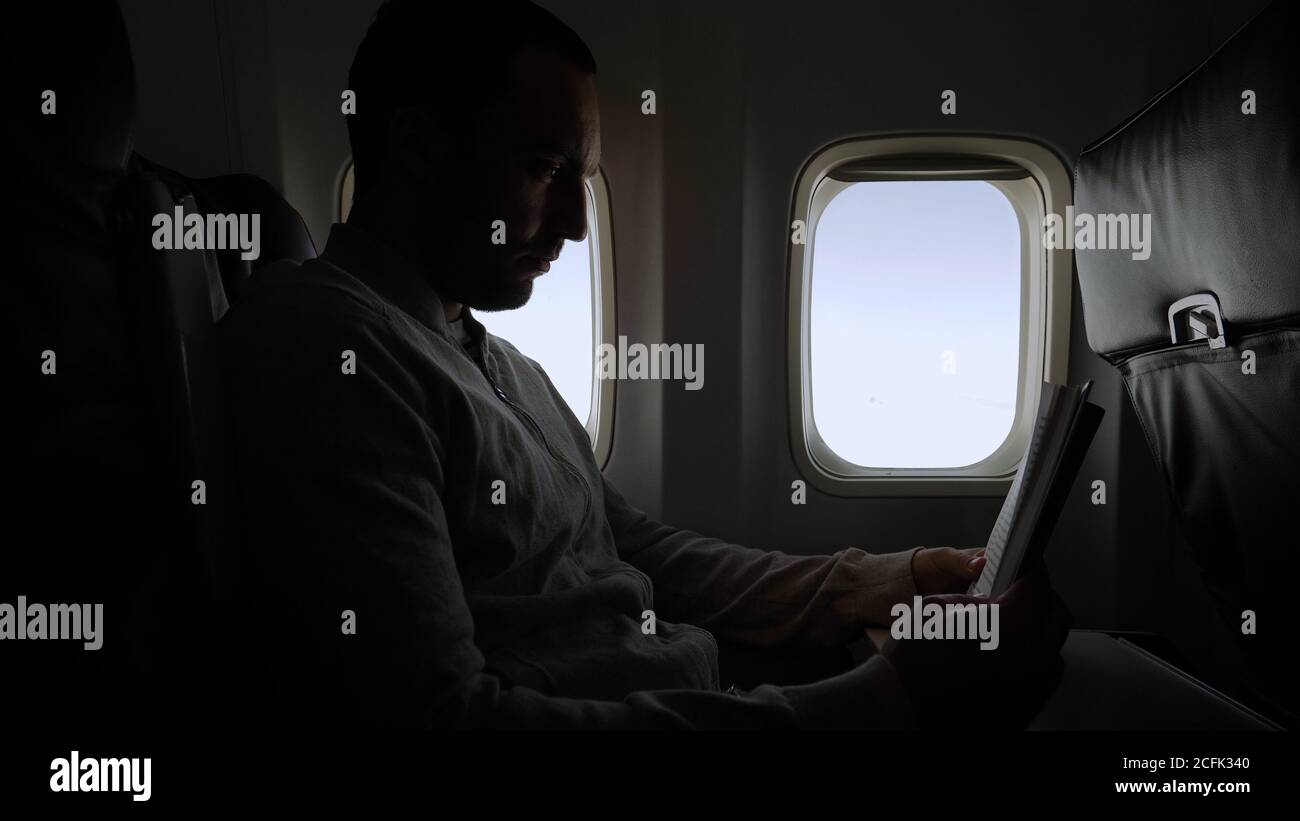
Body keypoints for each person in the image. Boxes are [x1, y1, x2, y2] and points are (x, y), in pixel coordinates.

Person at [218, 0, 1068, 730]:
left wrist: (878, 584)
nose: (577, 226)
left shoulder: (502, 363)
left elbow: (645, 552)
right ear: (415, 149)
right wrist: (888, 699)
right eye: (542, 169)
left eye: (578, 180)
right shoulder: (331, 352)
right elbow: (447, 721)